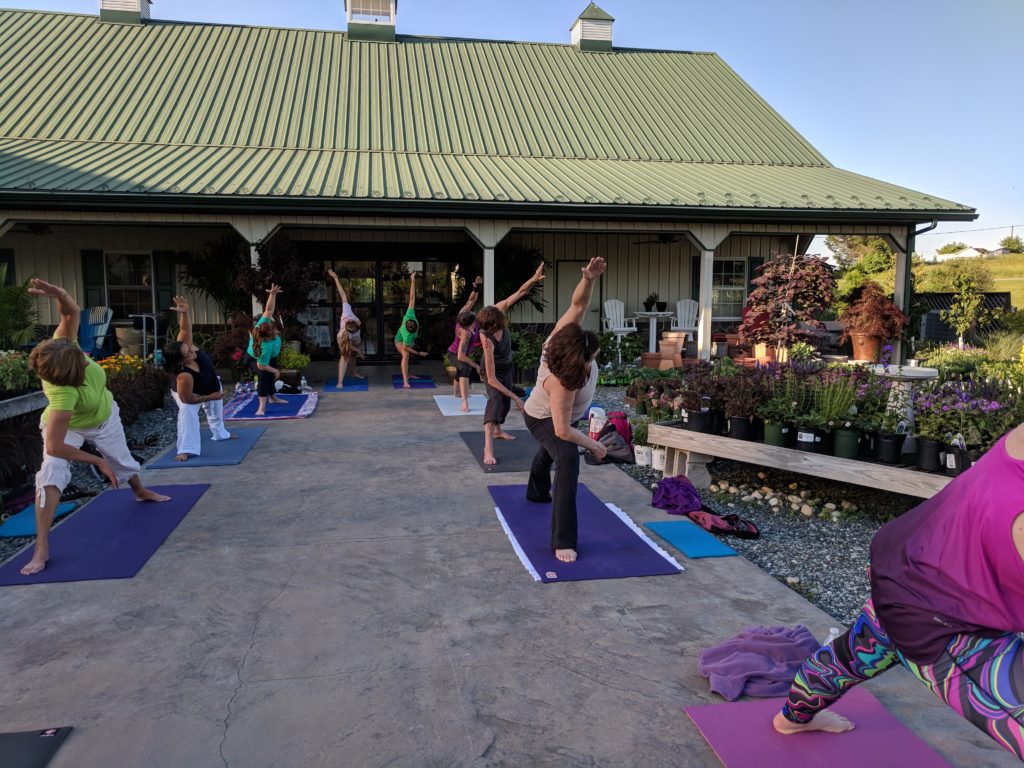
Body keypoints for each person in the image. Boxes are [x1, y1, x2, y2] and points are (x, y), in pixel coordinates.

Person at [773, 422, 1024, 761]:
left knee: (855, 653)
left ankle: (793, 719)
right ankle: (795, 718)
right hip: (945, 621)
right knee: (866, 648)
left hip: (906, 566)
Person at [22, 279, 171, 576]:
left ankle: (140, 491)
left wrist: (60, 294)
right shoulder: (63, 392)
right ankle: (41, 548)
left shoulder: (62, 349)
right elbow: (54, 446)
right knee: (51, 473)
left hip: (104, 417)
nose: (84, 354)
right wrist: (95, 460)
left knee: (122, 461)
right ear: (72, 371)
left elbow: (70, 315)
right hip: (70, 429)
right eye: (81, 358)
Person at [522, 257, 607, 563]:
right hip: (541, 418)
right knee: (567, 457)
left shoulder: (562, 337)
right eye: (592, 357)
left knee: (551, 451)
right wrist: (594, 444)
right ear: (576, 364)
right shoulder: (562, 383)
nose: (594, 359)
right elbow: (561, 431)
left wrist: (589, 279)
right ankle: (563, 539)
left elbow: (579, 305)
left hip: (562, 419)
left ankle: (535, 490)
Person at [478, 263, 547, 465]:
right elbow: (491, 378)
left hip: (506, 366)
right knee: (495, 402)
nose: (496, 329)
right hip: (492, 371)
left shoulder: (498, 310)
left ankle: (499, 431)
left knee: (505, 403)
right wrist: (517, 397)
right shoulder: (486, 339)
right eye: (492, 328)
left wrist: (533, 279)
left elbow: (520, 292)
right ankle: (487, 448)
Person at [163, 296, 233, 461]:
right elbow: (188, 399)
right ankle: (186, 449)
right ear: (180, 361)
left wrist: (185, 313)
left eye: (189, 347)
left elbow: (185, 330)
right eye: (187, 353)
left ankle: (220, 434)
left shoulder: (185, 347)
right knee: (188, 414)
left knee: (216, 414)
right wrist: (209, 398)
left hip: (210, 384)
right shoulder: (184, 376)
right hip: (190, 394)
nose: (191, 350)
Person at [246, 284, 285, 416]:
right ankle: (261, 407)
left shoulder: (262, 325)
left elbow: (268, 310)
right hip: (254, 358)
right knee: (264, 376)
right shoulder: (265, 346)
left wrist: (272, 294)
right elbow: (261, 365)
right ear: (267, 337)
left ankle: (273, 397)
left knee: (271, 375)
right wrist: (275, 370)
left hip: (269, 357)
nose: (276, 332)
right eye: (273, 333)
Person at [446, 275, 483, 412]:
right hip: (453, 354)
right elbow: (461, 356)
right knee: (465, 369)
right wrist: (476, 365)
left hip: (460, 353)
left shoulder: (462, 314)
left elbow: (471, 300)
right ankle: (464, 401)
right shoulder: (465, 334)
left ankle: (456, 393)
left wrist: (476, 287)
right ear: (469, 324)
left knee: (462, 368)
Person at [327, 268, 366, 388]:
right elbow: (349, 345)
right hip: (344, 338)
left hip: (355, 335)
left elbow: (342, 294)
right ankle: (340, 382)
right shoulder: (344, 334)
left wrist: (336, 278)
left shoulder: (347, 312)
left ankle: (353, 373)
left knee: (353, 354)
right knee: (345, 356)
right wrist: (358, 350)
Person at [394, 271, 428, 388]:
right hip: (400, 342)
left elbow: (412, 298)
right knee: (406, 355)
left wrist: (412, 280)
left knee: (408, 354)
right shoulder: (406, 334)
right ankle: (405, 381)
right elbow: (405, 347)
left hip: (409, 341)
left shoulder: (410, 315)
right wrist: (419, 353)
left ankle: (408, 373)